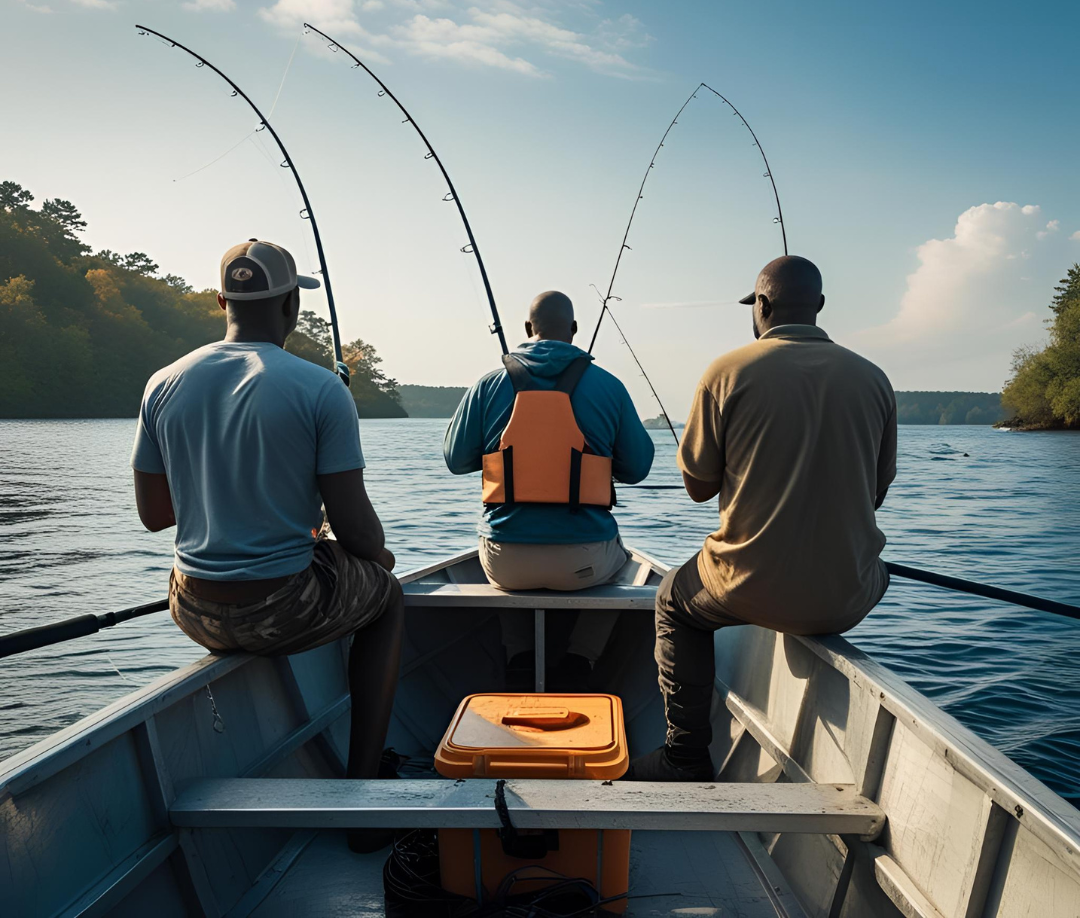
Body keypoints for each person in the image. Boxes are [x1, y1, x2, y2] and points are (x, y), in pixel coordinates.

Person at [131, 239, 403, 848]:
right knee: (385, 597)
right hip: (280, 609)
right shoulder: (320, 389)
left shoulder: (162, 383)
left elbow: (155, 516)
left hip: (194, 612)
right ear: (290, 307)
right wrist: (378, 561)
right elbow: (358, 534)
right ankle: (364, 797)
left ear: (222, 299)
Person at [631, 256, 897, 782]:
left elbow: (698, 489)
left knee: (672, 603)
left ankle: (684, 756)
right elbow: (874, 497)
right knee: (878, 569)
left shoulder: (726, 372)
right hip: (849, 597)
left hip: (747, 589)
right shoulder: (874, 380)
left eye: (754, 304)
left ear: (763, 306)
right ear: (819, 306)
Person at [444, 291, 655, 687]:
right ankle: (580, 659)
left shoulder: (488, 385)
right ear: (574, 331)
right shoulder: (609, 386)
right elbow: (638, 468)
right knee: (625, 562)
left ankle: (520, 655)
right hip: (585, 563)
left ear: (528, 330)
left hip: (504, 563)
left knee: (501, 544)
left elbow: (455, 460)